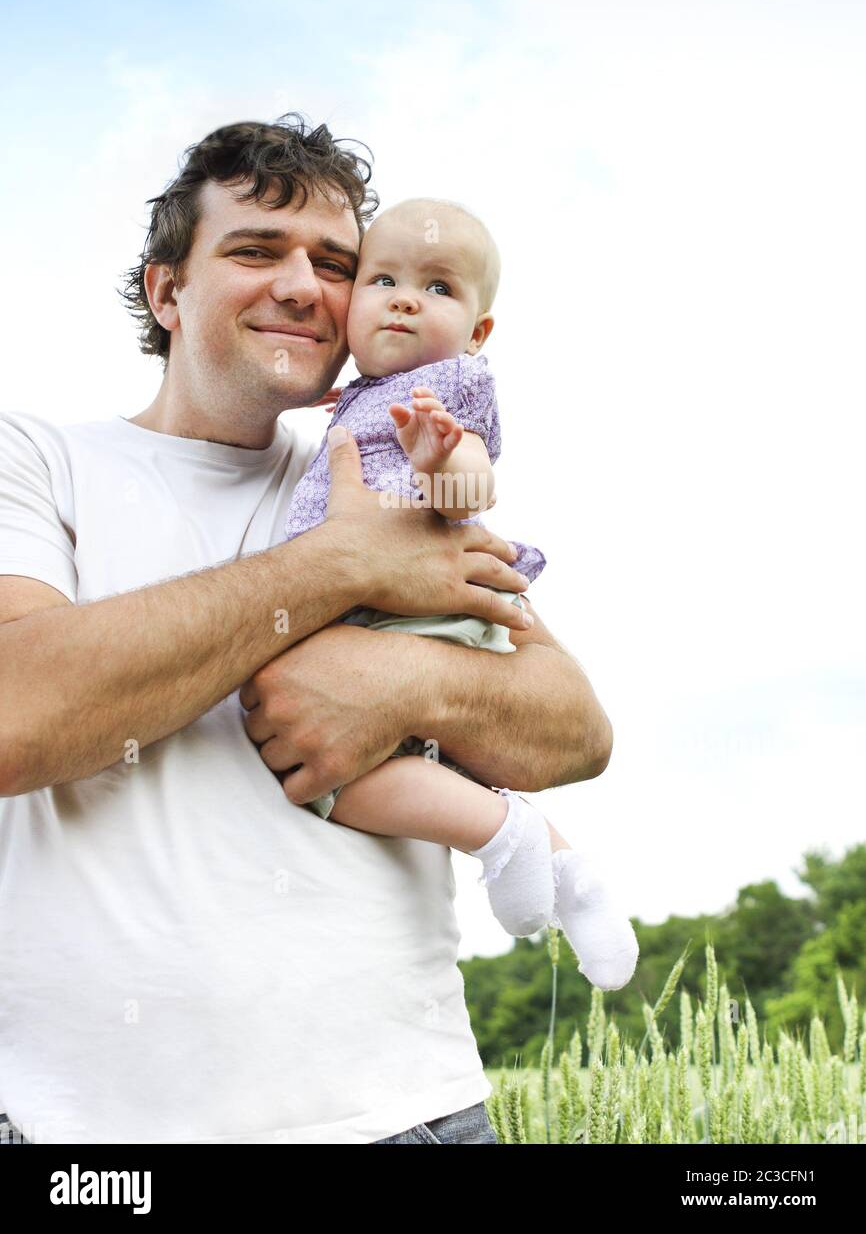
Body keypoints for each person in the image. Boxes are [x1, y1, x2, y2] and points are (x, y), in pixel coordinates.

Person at [0, 113, 614, 1145]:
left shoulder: (388, 477)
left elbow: (572, 728)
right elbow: (18, 715)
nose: (301, 286)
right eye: (252, 250)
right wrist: (332, 569)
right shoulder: (39, 459)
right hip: (93, 1136)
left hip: (403, 1115)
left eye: (335, 262)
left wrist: (404, 685)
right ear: (165, 289)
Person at [281, 196, 639, 991]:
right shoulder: (360, 392)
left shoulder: (447, 393)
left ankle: (504, 837)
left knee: (335, 774)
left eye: (439, 287)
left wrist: (441, 461)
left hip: (414, 616)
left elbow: (475, 484)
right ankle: (569, 872)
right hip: (385, 618)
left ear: (478, 333)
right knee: (403, 763)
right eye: (384, 280)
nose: (407, 298)